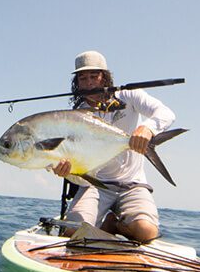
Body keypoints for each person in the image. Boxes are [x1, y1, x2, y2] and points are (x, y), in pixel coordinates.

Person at [51, 50, 176, 243]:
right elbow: (79, 166)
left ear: (104, 77)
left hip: (132, 184)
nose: (89, 82)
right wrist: (66, 172)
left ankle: (116, 225)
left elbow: (166, 113)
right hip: (96, 185)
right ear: (77, 83)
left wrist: (148, 129)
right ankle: (104, 225)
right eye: (83, 78)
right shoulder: (77, 115)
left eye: (94, 76)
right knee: (71, 232)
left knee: (146, 232)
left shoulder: (129, 96)